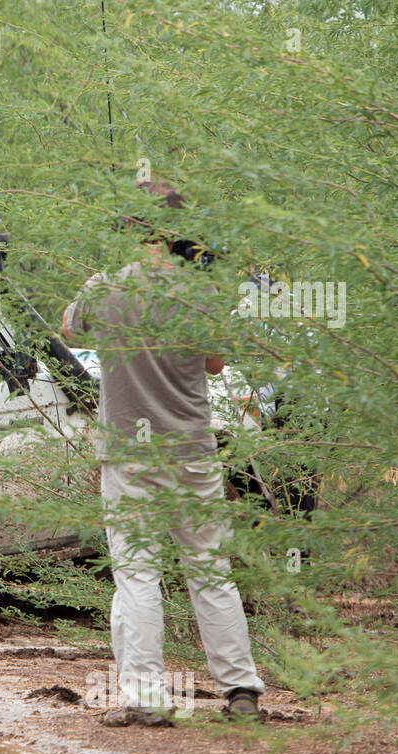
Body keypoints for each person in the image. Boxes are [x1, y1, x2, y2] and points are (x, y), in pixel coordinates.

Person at [59, 180, 265, 723]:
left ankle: (147, 699)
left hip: (129, 455)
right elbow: (217, 364)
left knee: (137, 573)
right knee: (210, 569)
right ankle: (241, 691)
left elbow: (67, 326)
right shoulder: (202, 293)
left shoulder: (106, 287)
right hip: (193, 451)